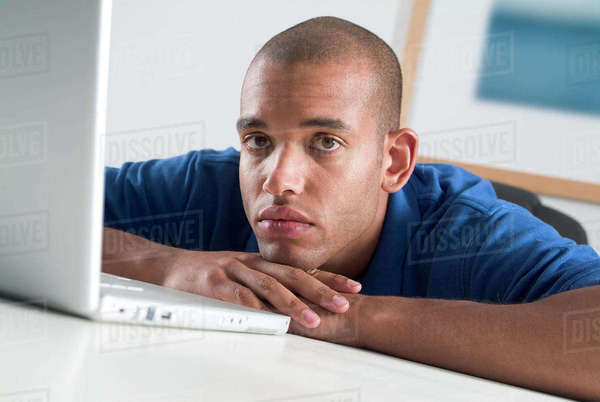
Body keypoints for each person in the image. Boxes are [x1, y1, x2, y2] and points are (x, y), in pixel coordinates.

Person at [102, 17, 600, 399]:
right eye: (258, 140)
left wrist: (348, 318)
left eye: (325, 142)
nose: (278, 180)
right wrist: (167, 266)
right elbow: (30, 213)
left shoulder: (469, 233)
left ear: (394, 161)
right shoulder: (202, 187)